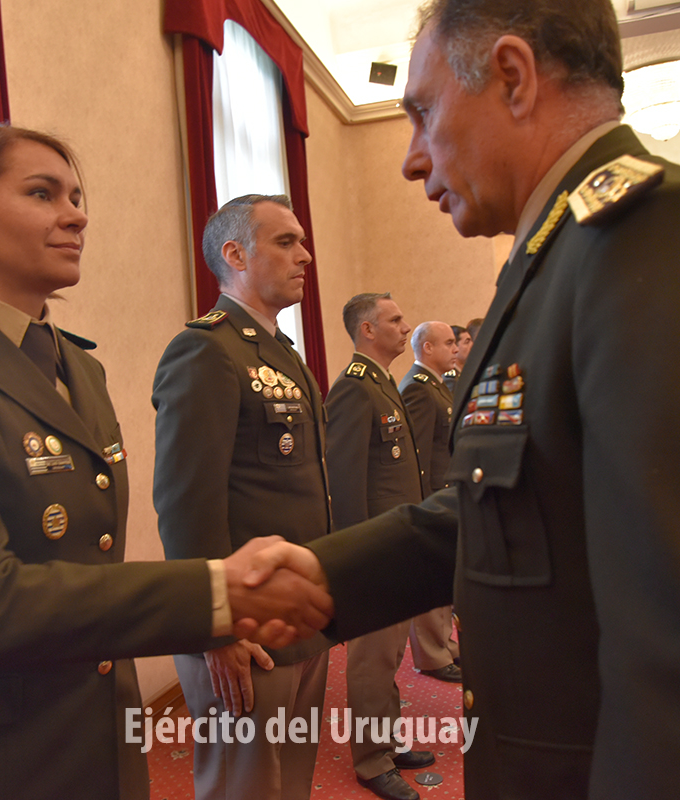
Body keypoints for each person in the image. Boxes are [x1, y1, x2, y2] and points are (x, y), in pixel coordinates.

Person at [237, 0, 680, 796]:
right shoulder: (554, 262)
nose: (413, 159)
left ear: (514, 78)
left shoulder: (665, 240)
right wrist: (317, 575)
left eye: (422, 113)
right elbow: (508, 510)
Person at [0, 126, 330, 800]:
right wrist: (214, 598)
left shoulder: (80, 368)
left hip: (93, 721)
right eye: (43, 193)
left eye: (76, 195)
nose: (78, 214)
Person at [152, 194, 332, 800]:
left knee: (290, 782)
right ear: (235, 254)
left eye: (302, 241)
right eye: (286, 242)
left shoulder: (283, 353)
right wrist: (215, 628)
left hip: (298, 616)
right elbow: (184, 503)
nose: (305, 255)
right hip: (244, 625)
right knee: (243, 786)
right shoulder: (207, 348)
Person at [324, 292, 436, 800]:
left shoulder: (382, 385)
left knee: (389, 652)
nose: (403, 325)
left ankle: (386, 742)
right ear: (368, 330)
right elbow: (345, 483)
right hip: (374, 550)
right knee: (371, 659)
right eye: (394, 319)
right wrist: (357, 558)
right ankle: (371, 760)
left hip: (395, 542)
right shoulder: (353, 389)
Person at [399, 321, 462, 683]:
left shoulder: (437, 385)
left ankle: (443, 643)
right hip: (432, 494)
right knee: (429, 580)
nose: (455, 349)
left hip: (445, 489)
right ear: (428, 349)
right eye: (449, 343)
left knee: (444, 581)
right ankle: (432, 654)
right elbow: (417, 452)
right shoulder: (419, 389)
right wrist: (424, 501)